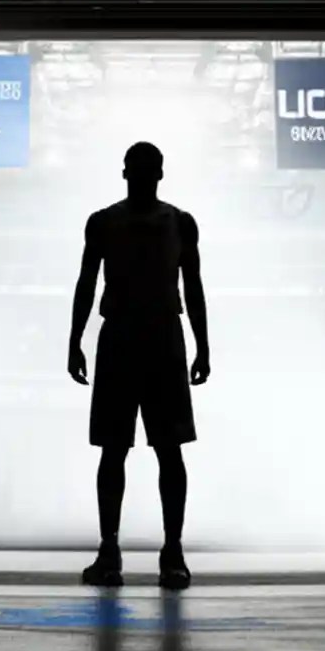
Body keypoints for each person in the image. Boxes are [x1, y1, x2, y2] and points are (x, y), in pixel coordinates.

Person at [68, 141, 210, 590]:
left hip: (145, 339)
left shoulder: (157, 223)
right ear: (136, 173)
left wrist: (75, 342)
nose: (145, 175)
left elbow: (192, 289)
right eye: (142, 168)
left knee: (139, 450)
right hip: (147, 339)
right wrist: (202, 346)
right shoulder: (125, 222)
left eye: (147, 169)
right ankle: (159, 552)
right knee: (147, 450)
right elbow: (87, 284)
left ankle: (128, 552)